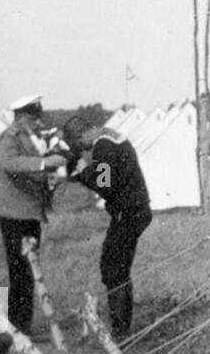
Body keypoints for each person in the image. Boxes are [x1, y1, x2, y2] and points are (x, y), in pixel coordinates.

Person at [63, 116, 152, 339]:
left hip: (127, 212)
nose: (82, 150)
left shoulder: (102, 146)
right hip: (135, 209)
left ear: (81, 136)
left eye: (78, 145)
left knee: (113, 270)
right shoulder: (111, 136)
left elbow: (105, 186)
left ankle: (121, 332)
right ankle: (122, 328)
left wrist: (83, 172)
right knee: (117, 269)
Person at [0, 95, 67, 335]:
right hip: (14, 215)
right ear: (22, 117)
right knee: (21, 272)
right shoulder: (9, 139)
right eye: (35, 119)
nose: (39, 123)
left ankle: (22, 326)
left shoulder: (28, 139)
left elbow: (31, 171)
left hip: (29, 214)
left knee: (28, 271)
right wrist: (44, 164)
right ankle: (19, 329)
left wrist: (48, 179)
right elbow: (10, 164)